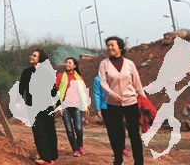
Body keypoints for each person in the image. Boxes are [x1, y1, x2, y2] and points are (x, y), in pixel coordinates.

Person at [98, 36, 146, 165]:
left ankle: (139, 162)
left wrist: (145, 102)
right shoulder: (104, 64)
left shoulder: (129, 64)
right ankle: (118, 159)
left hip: (131, 102)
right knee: (116, 134)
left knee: (134, 134)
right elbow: (102, 83)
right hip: (113, 104)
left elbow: (137, 84)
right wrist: (111, 93)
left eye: (112, 45)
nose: (109, 47)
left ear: (120, 47)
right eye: (108, 45)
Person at [19, 49, 59, 165]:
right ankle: (45, 158)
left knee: (50, 131)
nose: (31, 57)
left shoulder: (47, 72)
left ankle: (52, 156)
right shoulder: (26, 72)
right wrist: (18, 102)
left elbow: (53, 90)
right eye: (32, 55)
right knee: (38, 132)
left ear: (40, 59)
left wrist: (58, 105)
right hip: (33, 107)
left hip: (47, 106)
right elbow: (22, 88)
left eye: (34, 56)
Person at [56, 57, 90, 157]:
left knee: (78, 128)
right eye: (66, 62)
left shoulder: (79, 77)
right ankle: (75, 149)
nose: (67, 64)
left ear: (74, 66)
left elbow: (83, 93)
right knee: (69, 130)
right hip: (65, 107)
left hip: (77, 106)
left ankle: (80, 146)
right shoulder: (60, 76)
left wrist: (86, 106)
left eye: (70, 63)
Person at [93, 74, 131, 158]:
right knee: (111, 129)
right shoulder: (97, 79)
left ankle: (122, 147)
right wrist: (98, 108)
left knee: (120, 127)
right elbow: (97, 94)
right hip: (105, 107)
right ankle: (116, 150)